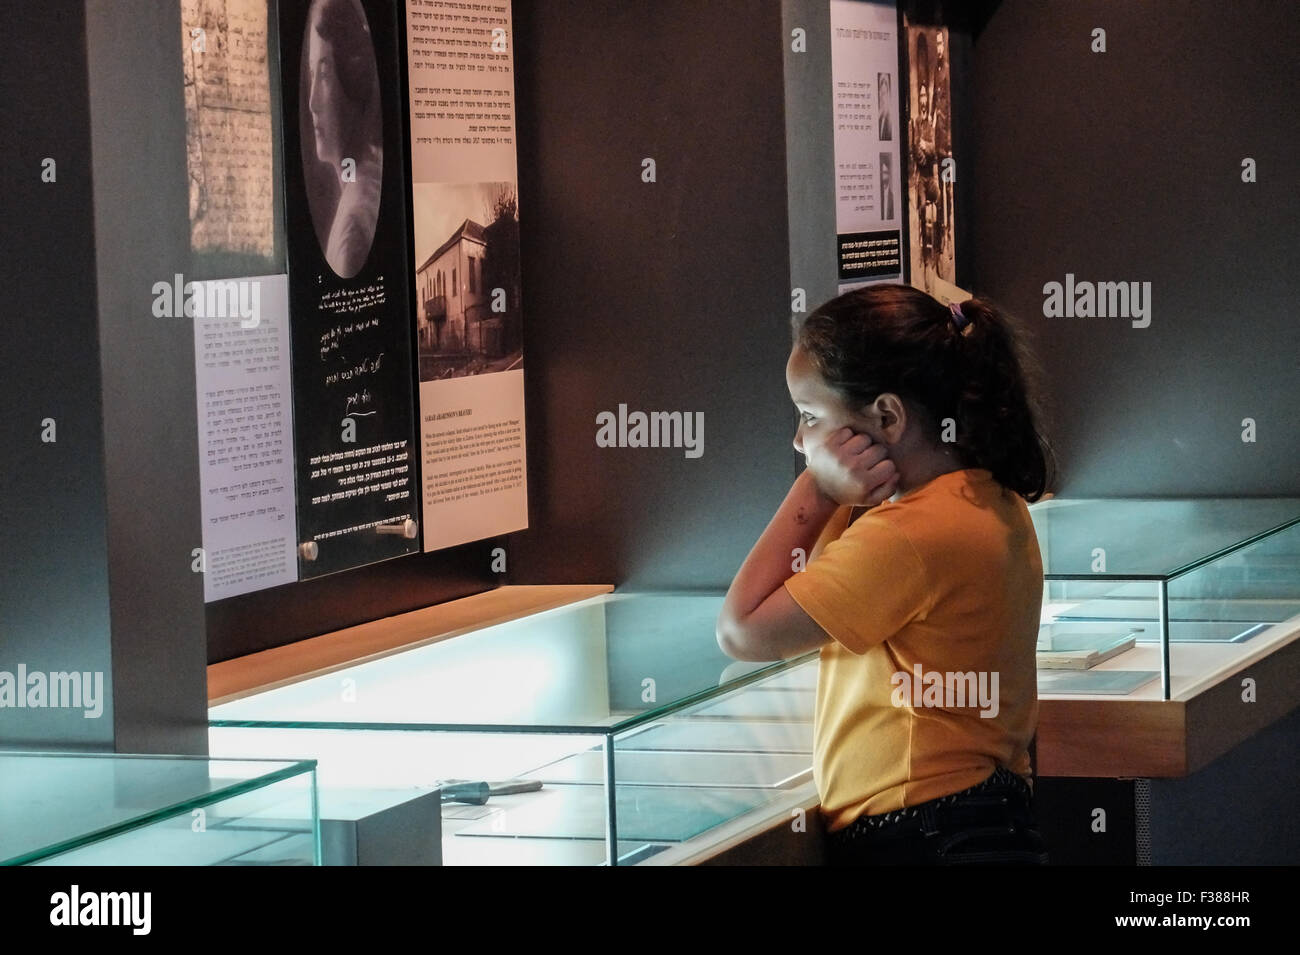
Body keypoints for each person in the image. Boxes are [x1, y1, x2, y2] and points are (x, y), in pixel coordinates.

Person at [716, 283, 1056, 865]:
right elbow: (821, 579)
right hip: (978, 822)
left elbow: (743, 631)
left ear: (887, 416)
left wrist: (816, 489)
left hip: (924, 830)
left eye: (809, 415)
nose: (800, 441)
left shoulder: (909, 534)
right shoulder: (982, 499)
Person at [304, 0, 383, 280]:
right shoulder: (372, 176)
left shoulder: (351, 230)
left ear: (354, 80)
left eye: (324, 74)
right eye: (312, 74)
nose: (312, 103)